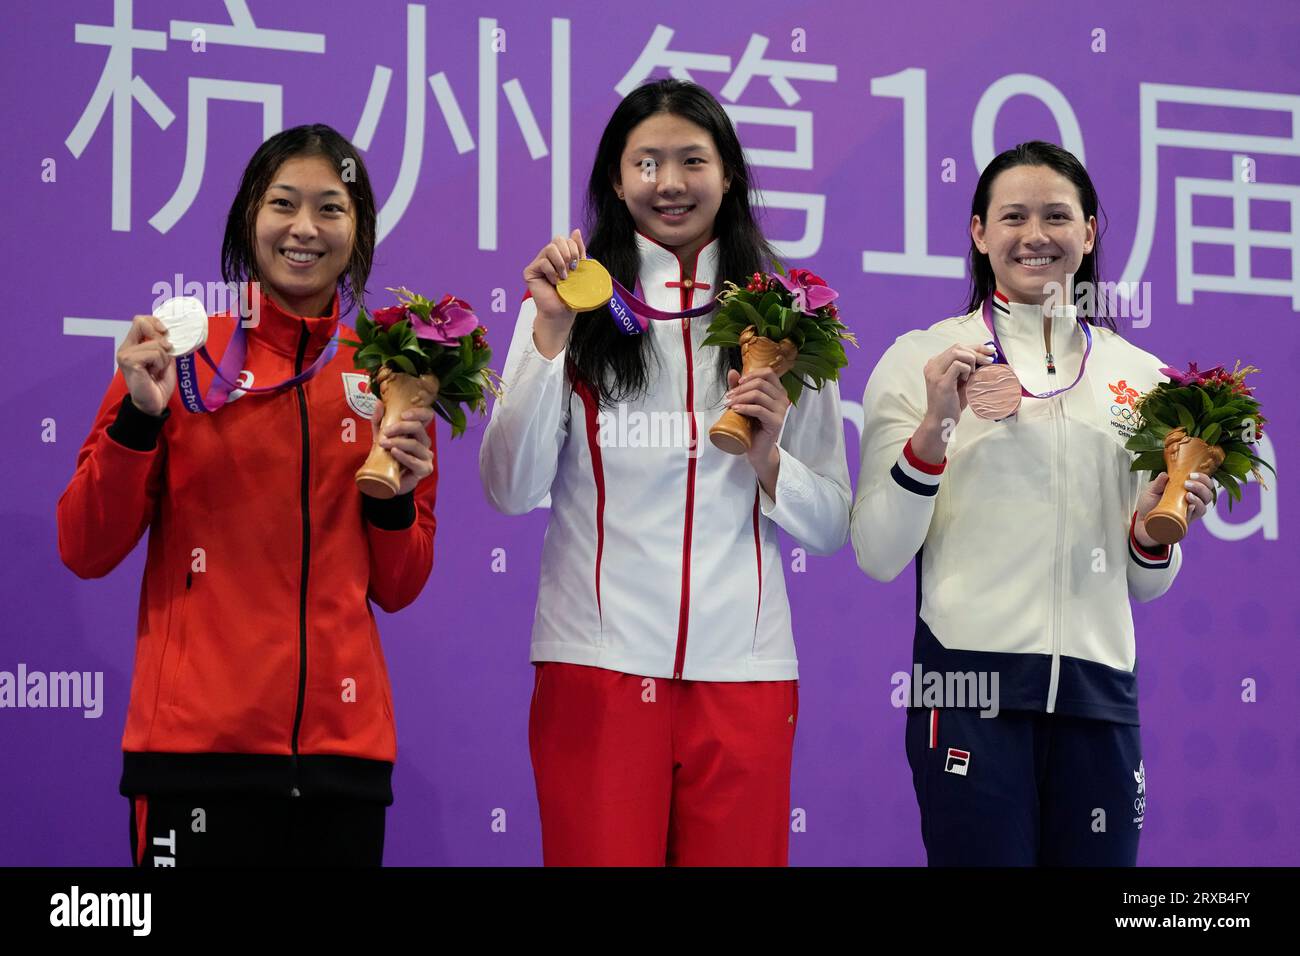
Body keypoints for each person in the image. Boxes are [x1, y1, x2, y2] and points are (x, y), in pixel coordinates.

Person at [480, 79, 851, 866]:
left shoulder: (787, 321)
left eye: (693, 160)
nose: (670, 183)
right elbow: (509, 488)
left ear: (730, 176)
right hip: (596, 670)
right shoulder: (572, 305)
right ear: (616, 180)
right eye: (646, 163)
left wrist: (768, 455)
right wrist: (548, 333)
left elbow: (827, 526)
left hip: (744, 677)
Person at [57, 124, 438, 867]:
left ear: (358, 233)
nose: (304, 228)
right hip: (195, 756)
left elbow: (399, 585)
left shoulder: (389, 375)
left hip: (344, 766)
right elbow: (83, 547)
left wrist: (395, 498)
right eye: (283, 203)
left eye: (331, 208)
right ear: (248, 220)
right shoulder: (176, 356)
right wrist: (139, 417)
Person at [851, 140, 1215, 866]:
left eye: (1057, 215)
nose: (1035, 235)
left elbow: (1146, 581)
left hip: (1099, 698)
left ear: (1088, 233)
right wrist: (933, 429)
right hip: (967, 691)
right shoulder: (922, 360)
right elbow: (877, 554)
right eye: (1012, 216)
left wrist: (1153, 530)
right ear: (979, 233)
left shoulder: (1143, 379)